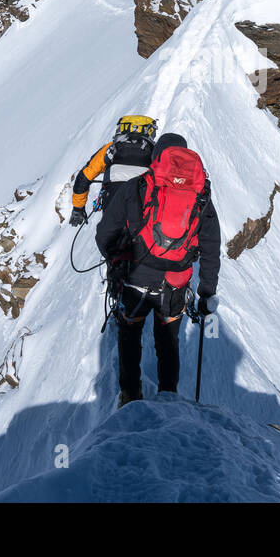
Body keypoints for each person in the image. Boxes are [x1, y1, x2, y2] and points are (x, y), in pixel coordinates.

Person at [95, 132, 220, 407]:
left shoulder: (137, 186)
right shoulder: (201, 195)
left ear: (156, 157)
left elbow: (105, 233)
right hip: (175, 284)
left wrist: (115, 259)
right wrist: (207, 292)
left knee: (129, 335)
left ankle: (130, 395)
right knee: (168, 342)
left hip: (135, 277)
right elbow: (211, 247)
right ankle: (168, 398)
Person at [68, 115, 158, 226]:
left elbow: (85, 176)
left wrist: (78, 208)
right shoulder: (155, 150)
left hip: (113, 197)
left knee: (111, 235)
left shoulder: (111, 148)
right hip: (144, 197)